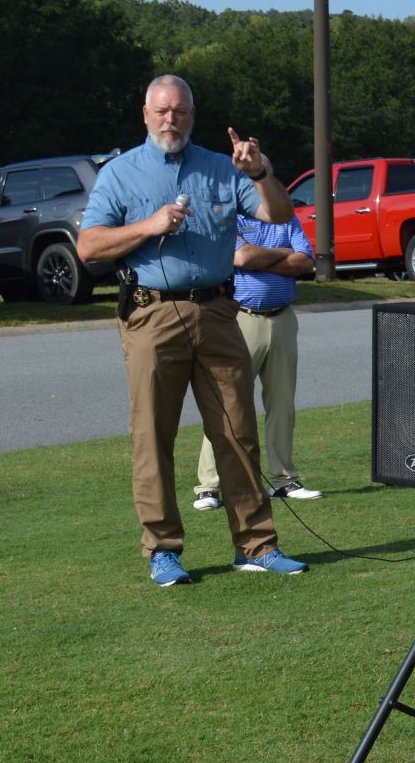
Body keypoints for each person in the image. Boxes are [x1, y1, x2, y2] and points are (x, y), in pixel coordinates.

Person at [77, 75, 308, 586]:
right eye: (161, 111)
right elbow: (88, 246)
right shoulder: (120, 174)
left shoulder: (221, 168)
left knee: (237, 431)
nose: (170, 120)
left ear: (192, 115)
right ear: (145, 114)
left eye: (179, 112)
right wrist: (148, 226)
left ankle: (256, 545)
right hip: (151, 314)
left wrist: (261, 170)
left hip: (220, 313)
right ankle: (163, 550)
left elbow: (278, 212)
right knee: (152, 436)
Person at [192, 213, 321, 511]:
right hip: (240, 317)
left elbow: (305, 262)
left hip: (283, 318)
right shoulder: (230, 218)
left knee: (282, 403)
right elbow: (242, 256)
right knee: (226, 403)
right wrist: (285, 255)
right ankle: (209, 486)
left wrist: (263, 258)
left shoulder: (287, 219)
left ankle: (284, 481)